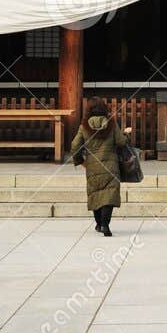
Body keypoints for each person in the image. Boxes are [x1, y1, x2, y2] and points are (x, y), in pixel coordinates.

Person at [71, 98, 131, 236]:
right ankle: (105, 225)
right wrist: (127, 134)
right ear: (104, 109)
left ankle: (98, 224)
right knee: (109, 195)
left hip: (92, 167)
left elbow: (75, 146)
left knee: (95, 194)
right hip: (111, 166)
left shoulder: (84, 127)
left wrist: (80, 161)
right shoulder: (111, 124)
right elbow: (121, 142)